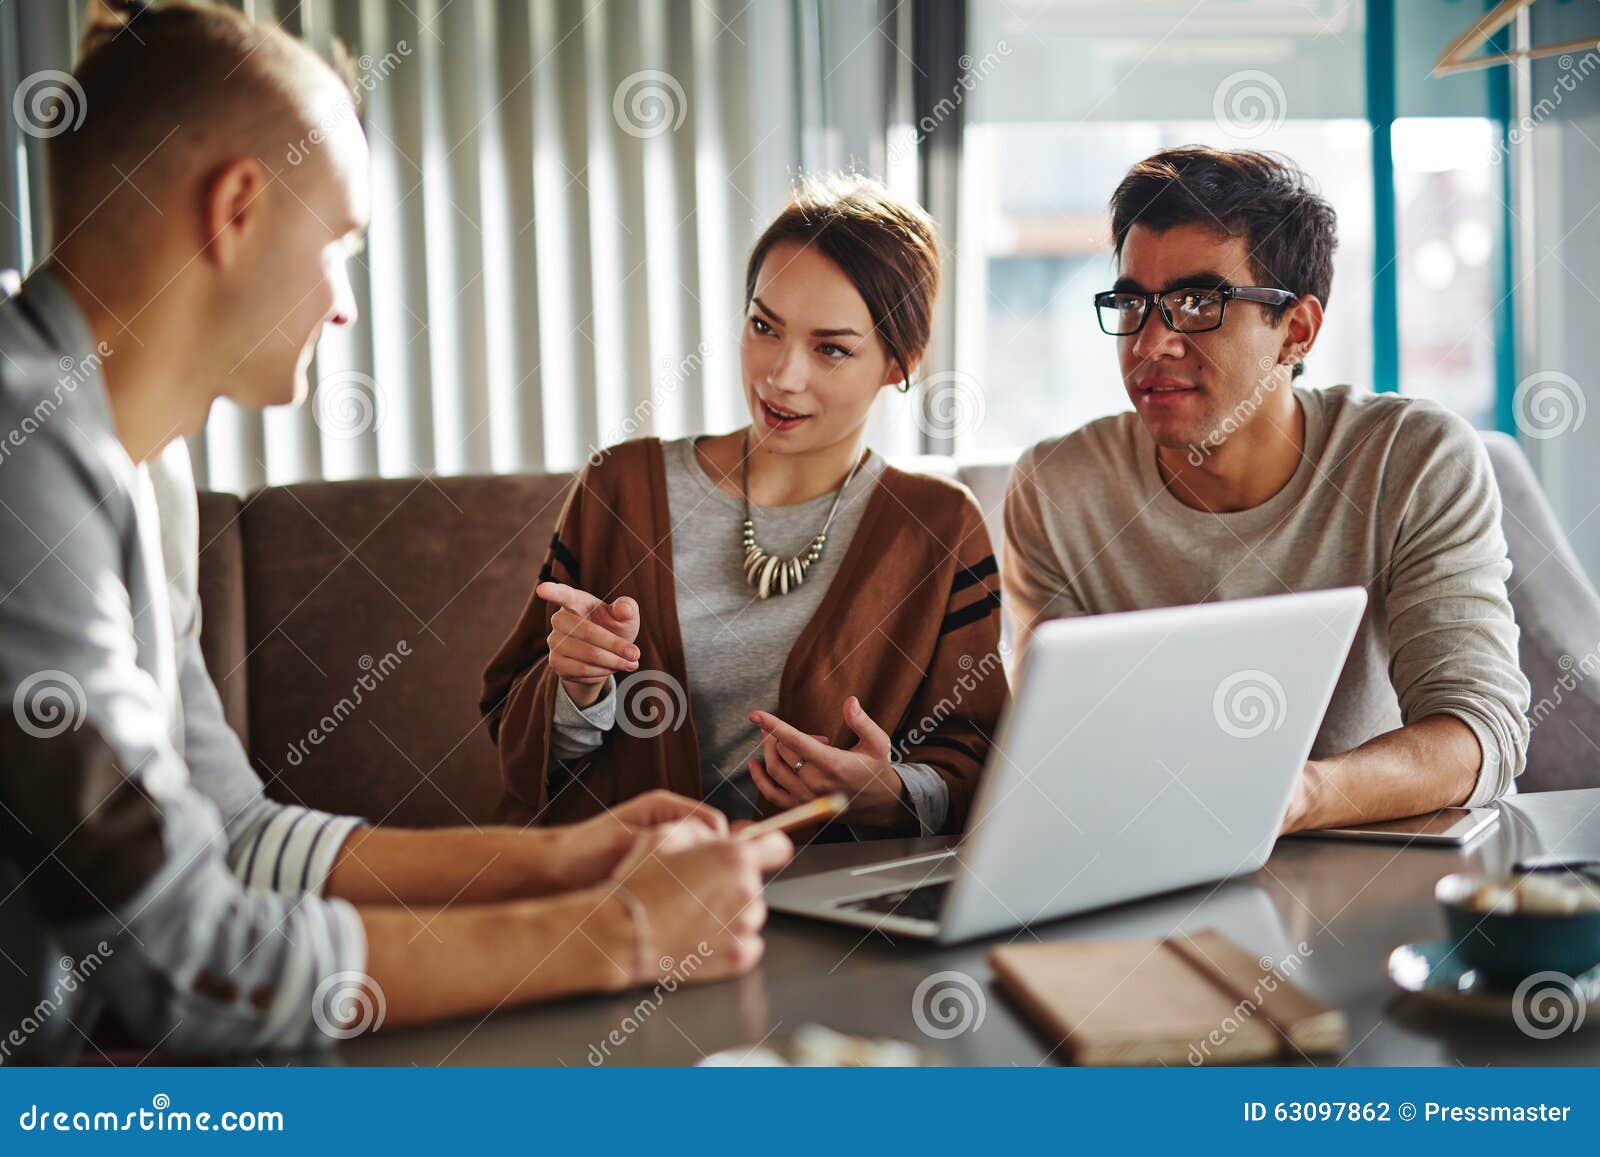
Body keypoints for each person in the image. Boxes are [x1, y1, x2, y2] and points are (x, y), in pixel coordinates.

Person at [0, 0, 789, 1063]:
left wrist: (561, 862)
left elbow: (231, 835)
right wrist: (625, 929)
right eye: (341, 243)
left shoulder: (142, 457)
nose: (346, 307)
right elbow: (176, 965)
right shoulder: (25, 440)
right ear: (235, 209)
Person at [1002, 146, 1531, 834]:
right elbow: (1061, 753)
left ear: (1297, 330)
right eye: (1133, 303)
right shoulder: (1056, 489)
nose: (1151, 343)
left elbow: (1479, 733)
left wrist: (1299, 794)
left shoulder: (1411, 458)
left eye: (1198, 303)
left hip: (1366, 869)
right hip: (1139, 867)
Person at [481, 174, 1007, 837]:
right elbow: (513, 728)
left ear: (899, 363)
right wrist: (576, 693)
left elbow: (985, 756)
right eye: (764, 326)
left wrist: (896, 791)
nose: (781, 375)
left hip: (823, 906)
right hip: (624, 892)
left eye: (831, 349)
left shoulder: (940, 527)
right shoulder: (619, 485)